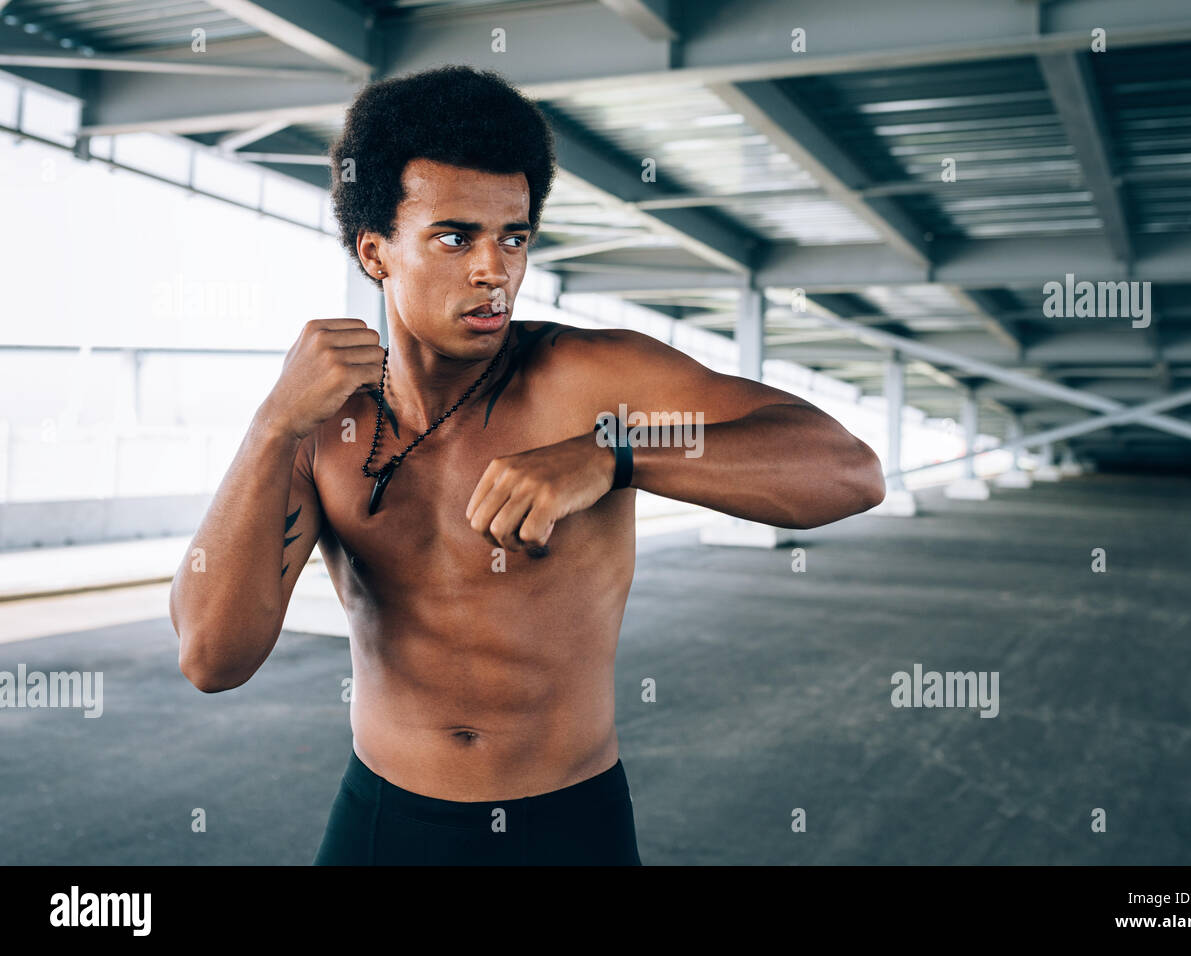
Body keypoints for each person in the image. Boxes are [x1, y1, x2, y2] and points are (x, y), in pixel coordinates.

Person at [168, 65, 886, 866]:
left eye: (514, 236)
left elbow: (848, 470)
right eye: (455, 237)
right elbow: (211, 658)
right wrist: (270, 427)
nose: (494, 269)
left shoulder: (586, 380)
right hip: (385, 824)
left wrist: (613, 453)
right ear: (375, 251)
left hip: (567, 828)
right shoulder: (319, 426)